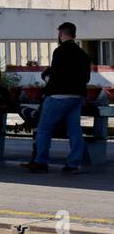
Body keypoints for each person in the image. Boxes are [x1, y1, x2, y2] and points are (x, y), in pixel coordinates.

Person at [22, 22, 91, 173]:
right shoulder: (83, 54)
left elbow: (57, 76)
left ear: (61, 34)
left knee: (44, 129)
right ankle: (73, 164)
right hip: (77, 97)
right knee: (74, 131)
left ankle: (41, 161)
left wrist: (46, 77)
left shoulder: (60, 51)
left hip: (58, 96)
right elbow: (86, 78)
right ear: (74, 34)